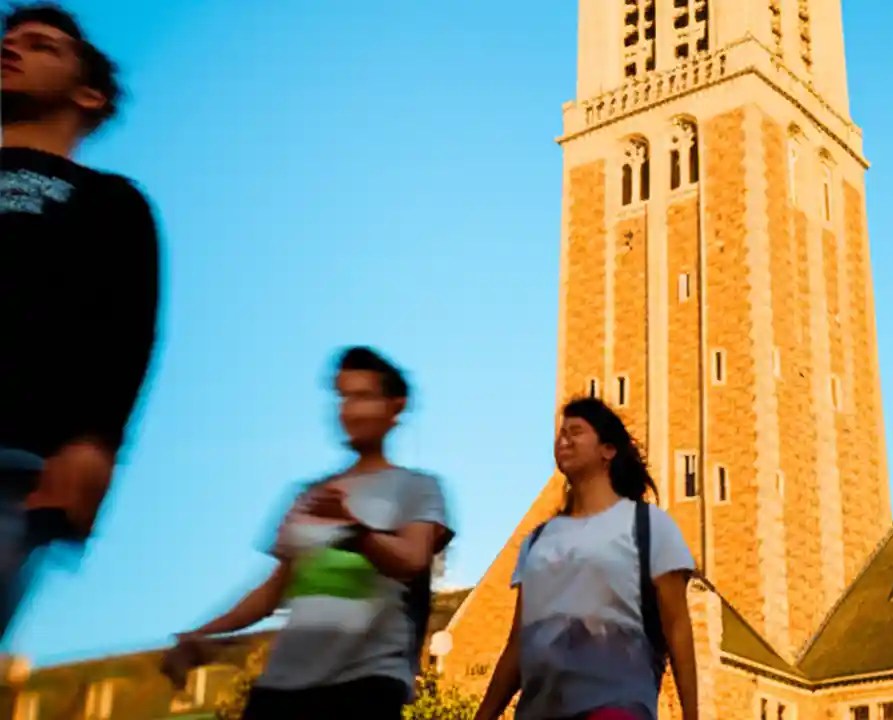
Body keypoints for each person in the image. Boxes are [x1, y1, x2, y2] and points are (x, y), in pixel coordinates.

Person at [163, 347, 454, 719]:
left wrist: (355, 530)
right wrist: (203, 634)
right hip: (284, 686)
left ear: (395, 407)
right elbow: (272, 592)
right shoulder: (307, 497)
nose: (349, 410)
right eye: (343, 397)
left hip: (364, 684)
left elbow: (412, 559)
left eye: (363, 397)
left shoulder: (418, 488)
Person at [0, 3, 161, 642]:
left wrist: (96, 442)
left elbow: (124, 328)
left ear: (88, 93)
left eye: (42, 45)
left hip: (13, 471)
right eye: (9, 40)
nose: (11, 48)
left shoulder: (110, 204)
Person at [475, 397, 700, 720]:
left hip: (616, 705)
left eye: (576, 431)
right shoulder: (537, 541)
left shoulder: (648, 525)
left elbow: (678, 627)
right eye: (561, 433)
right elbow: (518, 643)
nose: (563, 439)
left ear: (607, 450)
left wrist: (691, 714)